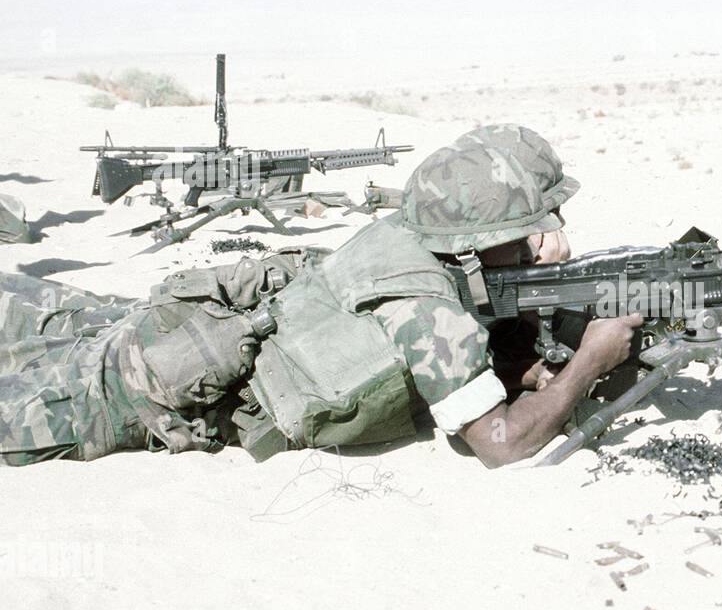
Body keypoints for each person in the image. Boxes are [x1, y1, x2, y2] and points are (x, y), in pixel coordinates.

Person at [0, 124, 642, 468]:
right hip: (133, 396)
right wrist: (591, 360)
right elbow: (500, 443)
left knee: (34, 311)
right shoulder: (429, 313)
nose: (546, 237)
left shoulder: (411, 233)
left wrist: (524, 356)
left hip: (172, 328)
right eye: (529, 227)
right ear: (477, 239)